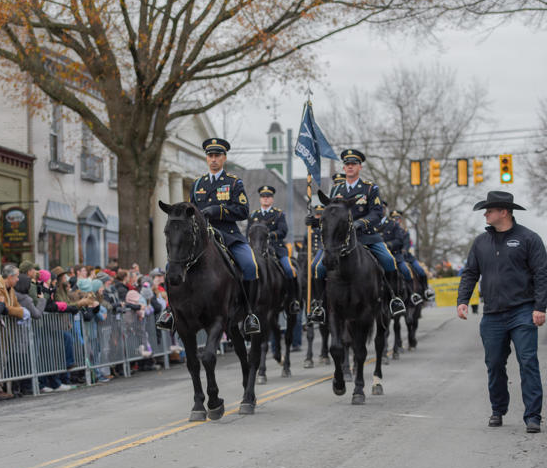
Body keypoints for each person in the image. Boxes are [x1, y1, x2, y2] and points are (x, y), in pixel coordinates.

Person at [456, 191, 547, 434]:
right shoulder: (480, 242)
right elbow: (470, 273)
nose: (485, 214)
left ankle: (533, 416)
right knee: (494, 364)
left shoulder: (529, 238)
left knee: (528, 362)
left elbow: (541, 274)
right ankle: (498, 409)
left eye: (489, 210)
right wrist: (463, 300)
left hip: (523, 310)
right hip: (493, 314)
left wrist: (540, 307)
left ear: (504, 212)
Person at [157, 137, 260, 334]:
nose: (213, 159)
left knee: (250, 265)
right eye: (210, 156)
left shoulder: (233, 183)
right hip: (202, 238)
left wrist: (218, 210)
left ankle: (249, 314)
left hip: (229, 235)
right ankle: (171, 311)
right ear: (207, 159)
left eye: (217, 156)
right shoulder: (197, 184)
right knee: (172, 265)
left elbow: (243, 210)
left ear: (224, 158)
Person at [309, 149, 405, 317]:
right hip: (340, 241)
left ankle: (393, 300)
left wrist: (360, 222)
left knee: (389, 261)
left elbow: (377, 213)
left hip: (366, 236)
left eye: (353, 164)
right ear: (344, 168)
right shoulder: (336, 190)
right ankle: (319, 306)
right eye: (347, 164)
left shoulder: (370, 188)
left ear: (360, 167)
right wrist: (316, 222)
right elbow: (330, 215)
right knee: (317, 267)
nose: (350, 167)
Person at [248, 185, 300, 313]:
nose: (265, 199)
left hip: (276, 248)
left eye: (268, 197)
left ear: (272, 199)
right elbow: (248, 234)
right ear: (260, 199)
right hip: (256, 249)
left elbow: (283, 231)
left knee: (289, 269)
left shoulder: (279, 214)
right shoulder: (253, 215)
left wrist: (268, 235)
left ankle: (293, 300)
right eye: (263, 197)